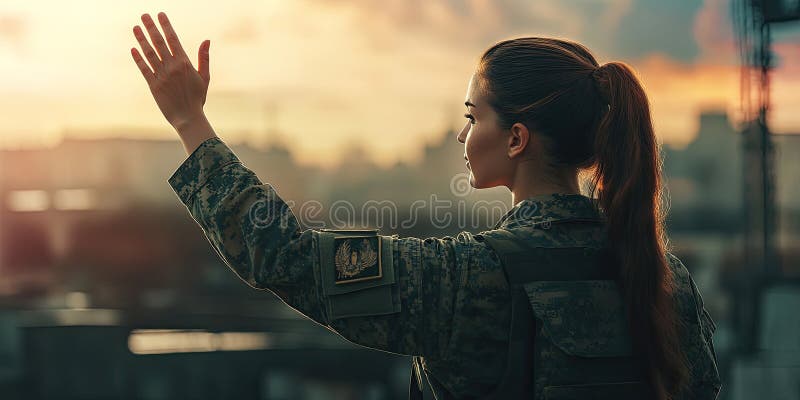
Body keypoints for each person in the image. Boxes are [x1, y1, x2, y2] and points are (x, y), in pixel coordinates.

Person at [130, 12, 722, 399]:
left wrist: (190, 122)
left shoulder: (467, 279)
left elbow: (284, 254)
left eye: (471, 117)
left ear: (516, 139)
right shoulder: (666, 282)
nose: (463, 135)